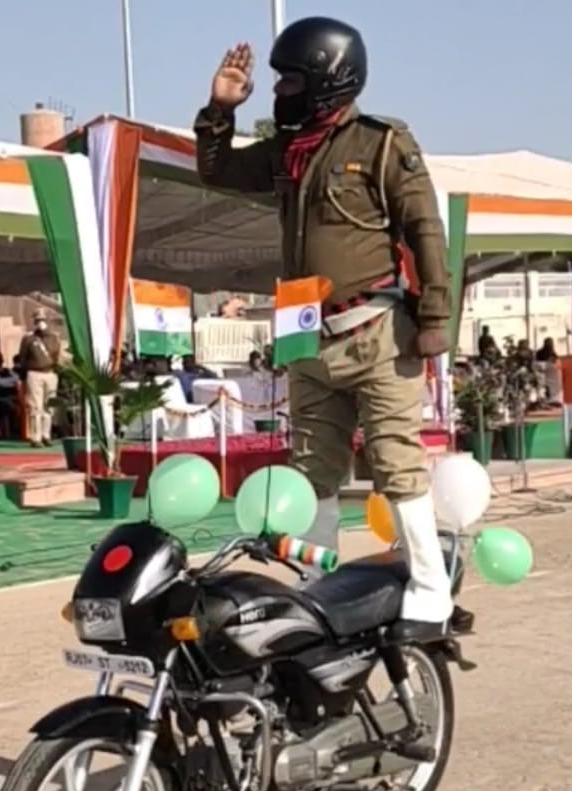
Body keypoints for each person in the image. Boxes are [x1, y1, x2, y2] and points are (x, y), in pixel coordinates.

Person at [194, 17, 470, 637]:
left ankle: (430, 587)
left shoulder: (380, 143)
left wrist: (435, 321)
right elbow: (217, 171)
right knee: (312, 470)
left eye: (291, 79)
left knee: (395, 462)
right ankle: (316, 591)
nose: (279, 91)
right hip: (309, 337)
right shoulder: (289, 151)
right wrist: (219, 108)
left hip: (378, 332)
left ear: (328, 78)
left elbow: (425, 230)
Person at [18, 311, 62, 447]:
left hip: (50, 373)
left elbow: (57, 355)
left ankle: (46, 435)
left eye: (42, 320)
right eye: (37, 321)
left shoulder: (54, 338)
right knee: (35, 406)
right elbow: (22, 357)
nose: (40, 323)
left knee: (48, 406)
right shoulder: (29, 339)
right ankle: (35, 437)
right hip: (34, 373)